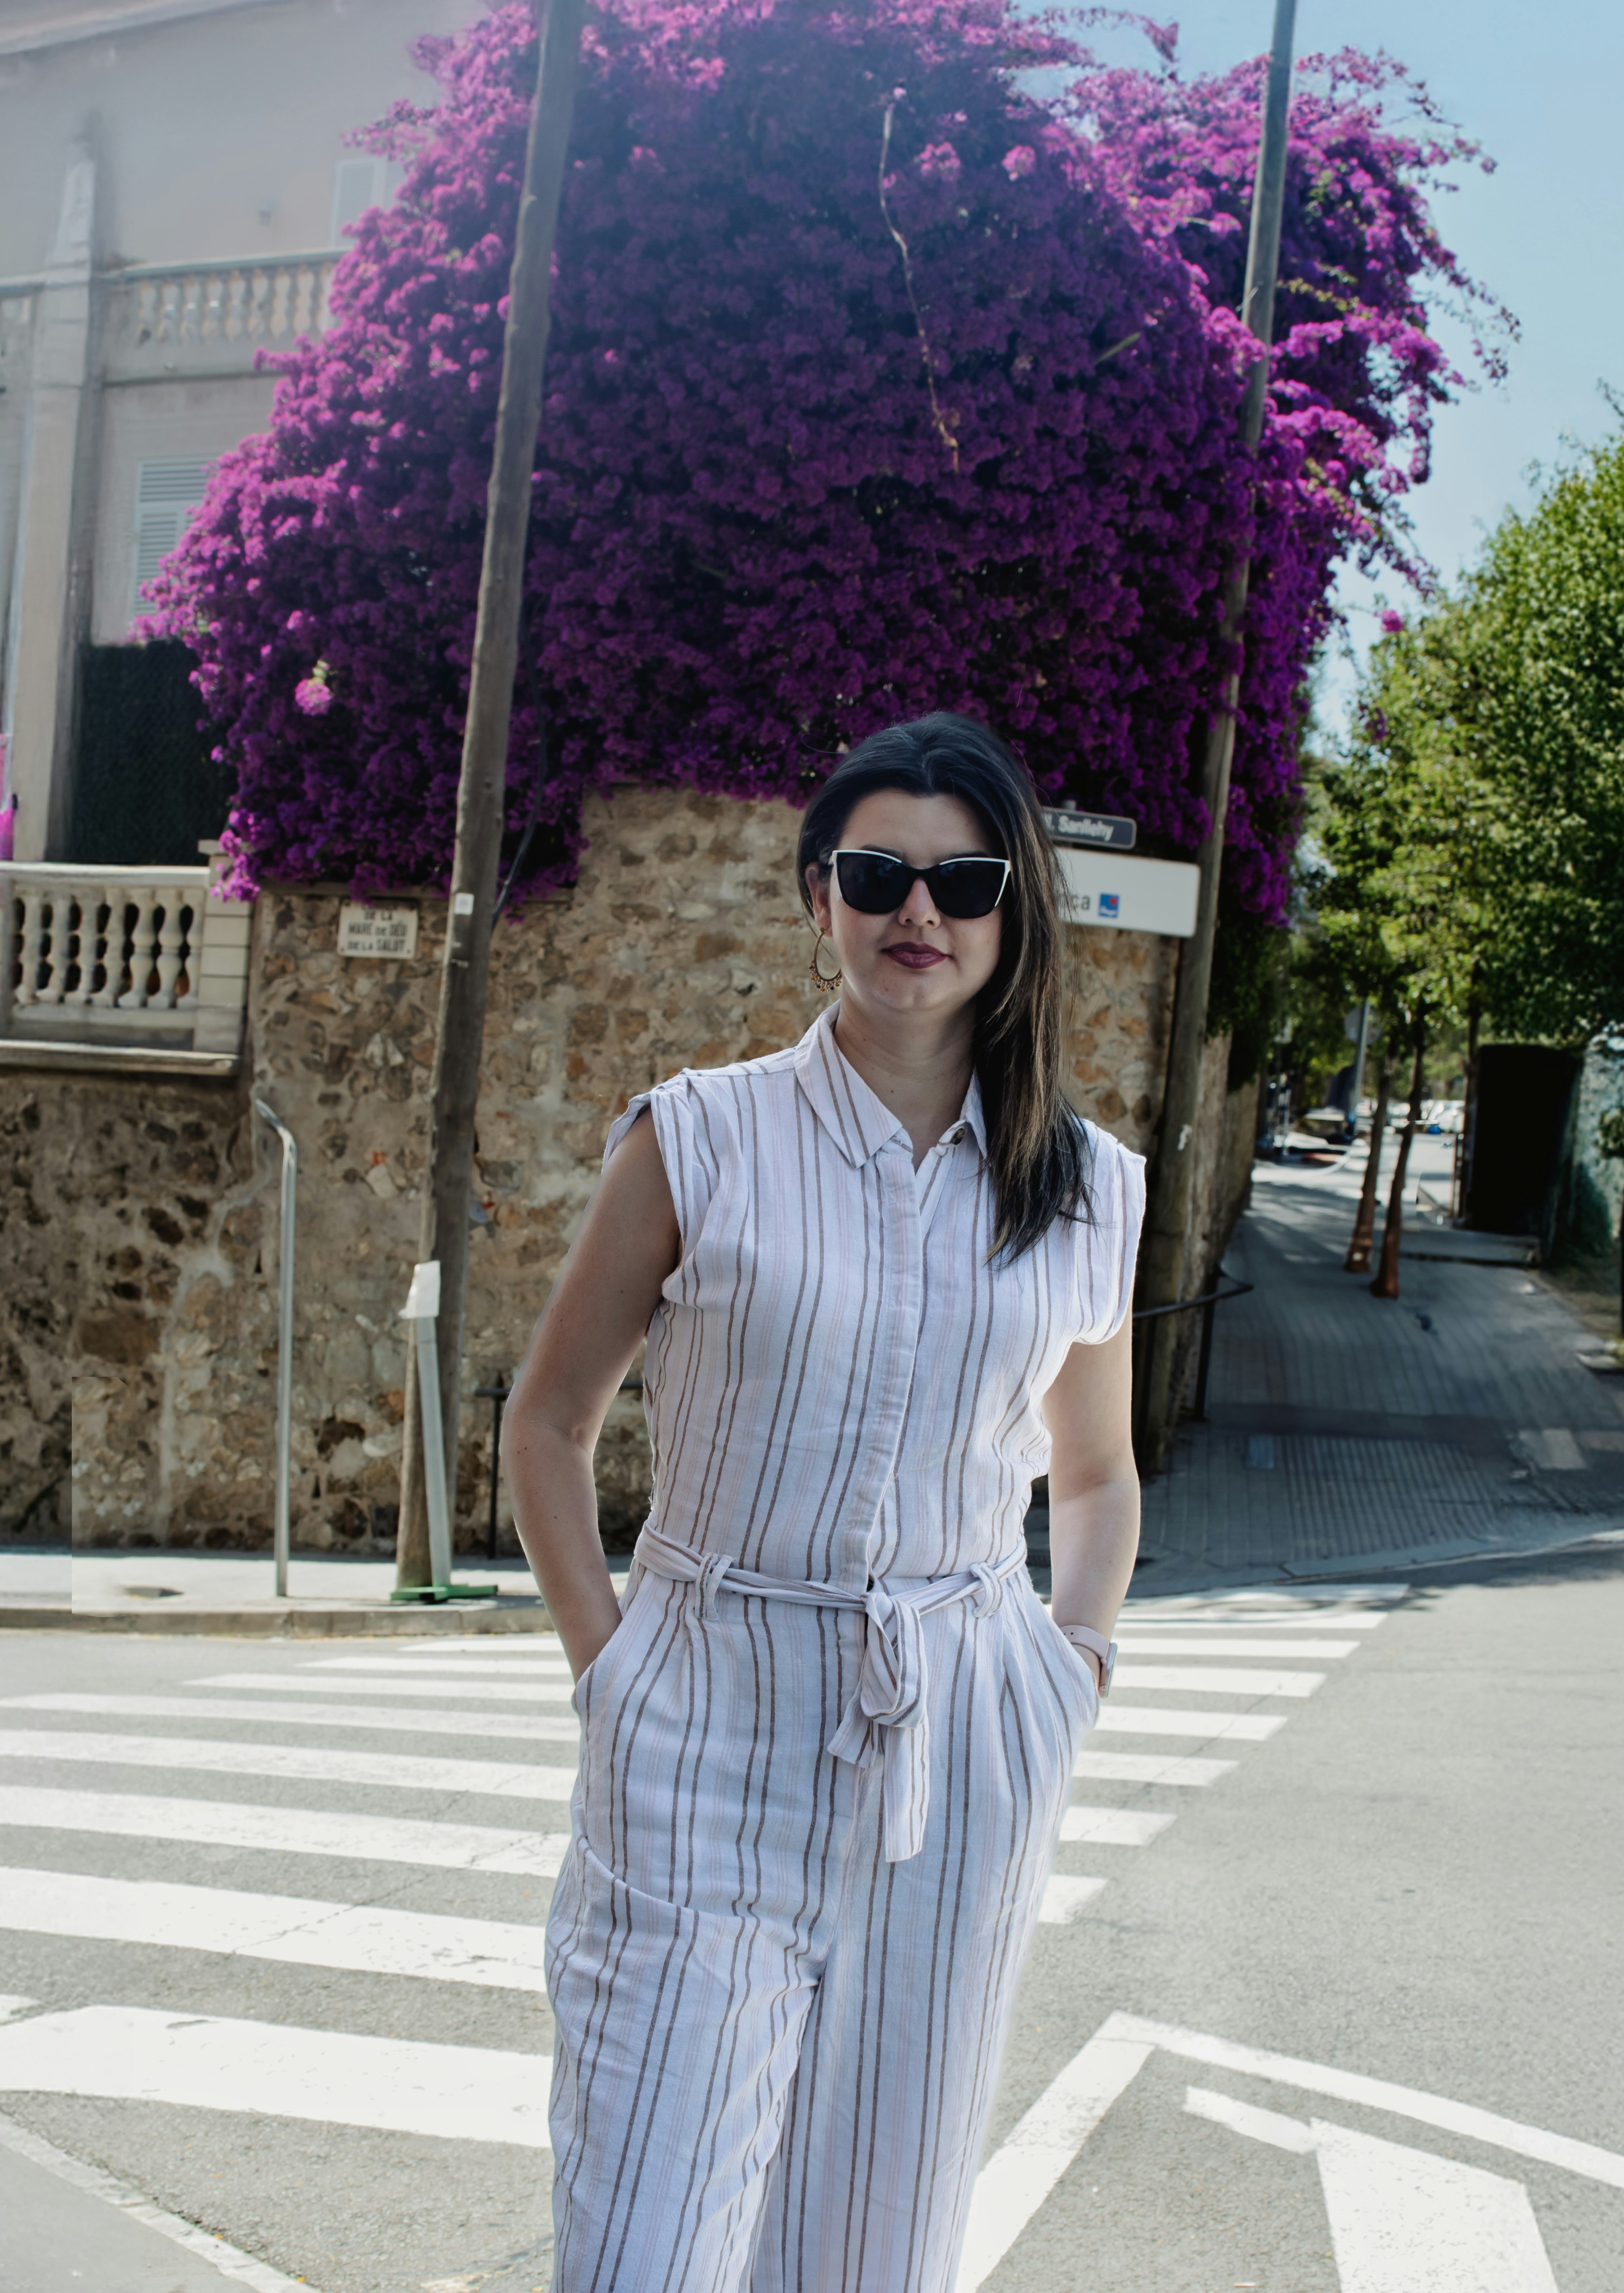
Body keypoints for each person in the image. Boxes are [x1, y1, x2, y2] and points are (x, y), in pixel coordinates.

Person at [503, 712, 1144, 2293]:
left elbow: (1101, 1467)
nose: (918, 911)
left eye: (962, 878)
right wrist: (616, 1671)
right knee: (644, 2248)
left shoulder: (1090, 1188)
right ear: (818, 900)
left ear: (1013, 910)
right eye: (878, 873)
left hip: (962, 1740)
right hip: (704, 1726)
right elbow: (547, 1421)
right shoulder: (697, 1139)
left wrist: (1073, 1667)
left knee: (870, 2253)